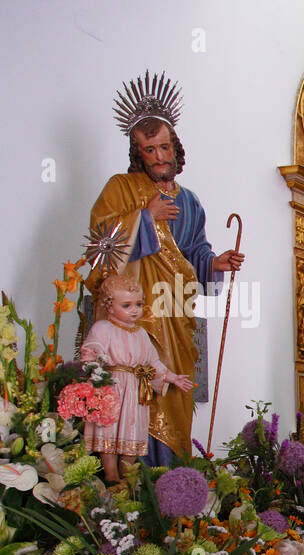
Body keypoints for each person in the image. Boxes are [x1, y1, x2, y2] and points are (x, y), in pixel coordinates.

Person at [87, 73, 243, 465]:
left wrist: (213, 263)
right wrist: (143, 217)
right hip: (135, 319)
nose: (158, 156)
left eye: (163, 146)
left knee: (175, 389)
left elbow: (193, 252)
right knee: (135, 387)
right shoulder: (120, 188)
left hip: (176, 311)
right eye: (149, 149)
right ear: (137, 153)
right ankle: (134, 479)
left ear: (175, 147)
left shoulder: (190, 201)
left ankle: (172, 474)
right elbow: (100, 248)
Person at [80, 275, 195, 482]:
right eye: (127, 305)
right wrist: (95, 374)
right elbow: (91, 350)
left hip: (135, 390)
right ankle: (111, 475)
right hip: (112, 388)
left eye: (139, 304)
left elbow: (153, 362)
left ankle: (128, 476)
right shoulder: (103, 328)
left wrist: (171, 377)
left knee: (132, 431)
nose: (134, 310)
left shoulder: (141, 333)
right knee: (109, 430)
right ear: (109, 306)